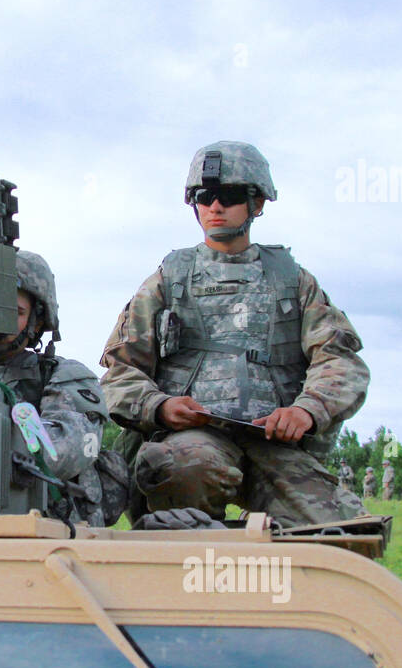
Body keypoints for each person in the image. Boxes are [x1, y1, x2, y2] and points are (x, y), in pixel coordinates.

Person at [99, 141, 369, 528]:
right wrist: (158, 406)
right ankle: (184, 572)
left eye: (229, 196)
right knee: (177, 467)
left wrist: (306, 411)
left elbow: (340, 361)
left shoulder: (291, 280)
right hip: (192, 442)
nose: (215, 207)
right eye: (205, 196)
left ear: (257, 204)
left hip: (275, 444)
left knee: (342, 532)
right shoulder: (168, 279)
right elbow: (119, 371)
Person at [0, 249, 126, 528]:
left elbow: (61, 452)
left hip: (43, 525)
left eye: (12, 312)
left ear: (37, 320)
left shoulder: (63, 376)